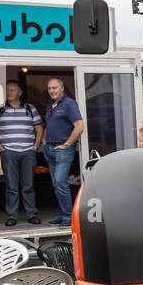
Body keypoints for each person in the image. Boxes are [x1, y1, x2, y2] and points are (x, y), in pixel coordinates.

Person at [0, 79, 45, 226]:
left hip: (28, 152)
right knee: (11, 187)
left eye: (12, 90)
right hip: (9, 153)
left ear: (20, 92)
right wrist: (2, 149)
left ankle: (32, 215)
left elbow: (39, 128)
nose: (9, 92)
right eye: (7, 90)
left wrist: (35, 147)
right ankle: (12, 216)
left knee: (28, 186)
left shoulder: (30, 109)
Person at [41, 77, 84, 226]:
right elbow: (49, 125)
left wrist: (67, 144)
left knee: (60, 182)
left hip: (62, 150)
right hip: (50, 149)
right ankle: (63, 214)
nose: (51, 91)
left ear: (62, 89)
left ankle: (68, 217)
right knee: (56, 184)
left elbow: (79, 127)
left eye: (54, 88)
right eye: (49, 88)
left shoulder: (69, 104)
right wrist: (44, 142)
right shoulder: (51, 105)